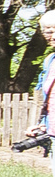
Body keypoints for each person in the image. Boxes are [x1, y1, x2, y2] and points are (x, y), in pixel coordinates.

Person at [25, 10, 55, 154]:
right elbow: (49, 99)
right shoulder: (50, 61)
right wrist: (42, 125)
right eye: (48, 32)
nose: (53, 36)